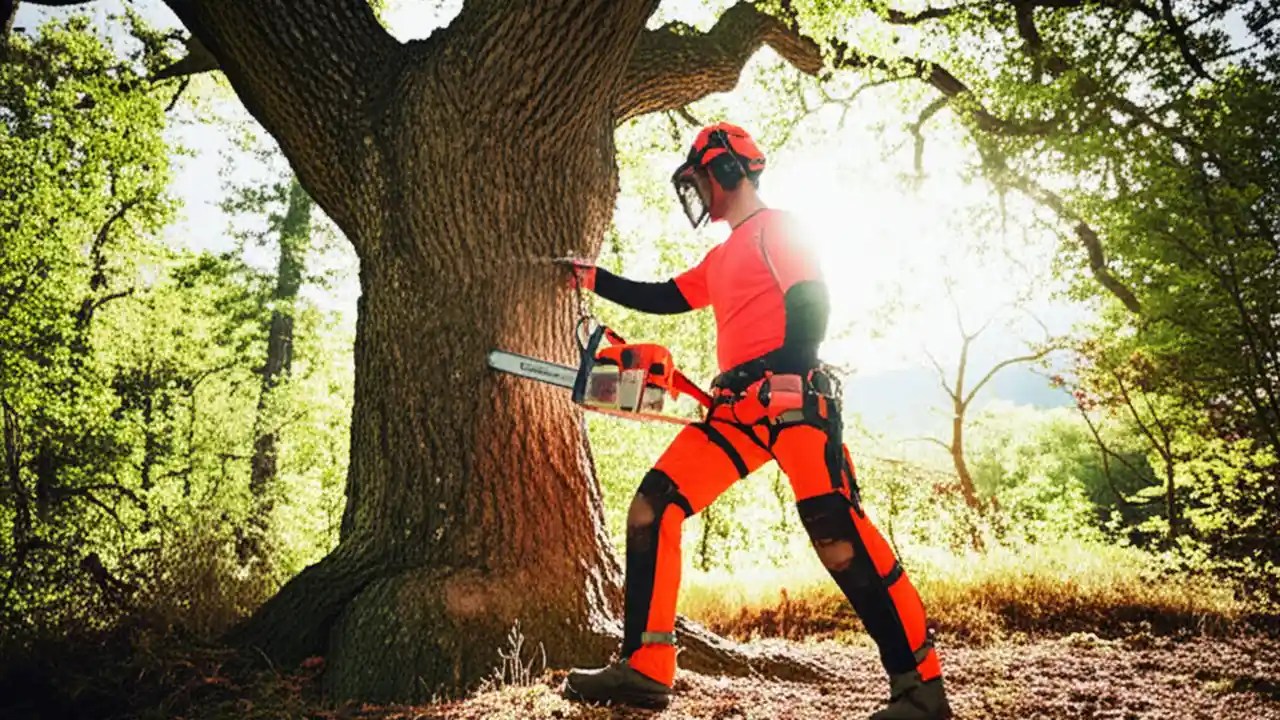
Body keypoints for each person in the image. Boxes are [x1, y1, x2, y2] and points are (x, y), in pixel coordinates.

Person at [560, 122, 952, 720]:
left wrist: (792, 374)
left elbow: (810, 298)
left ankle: (920, 689)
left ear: (724, 170)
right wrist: (594, 279)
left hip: (794, 398)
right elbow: (664, 295)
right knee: (652, 505)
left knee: (835, 531)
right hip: (736, 409)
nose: (697, 194)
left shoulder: (781, 228)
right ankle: (644, 667)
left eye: (699, 180)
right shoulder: (720, 258)